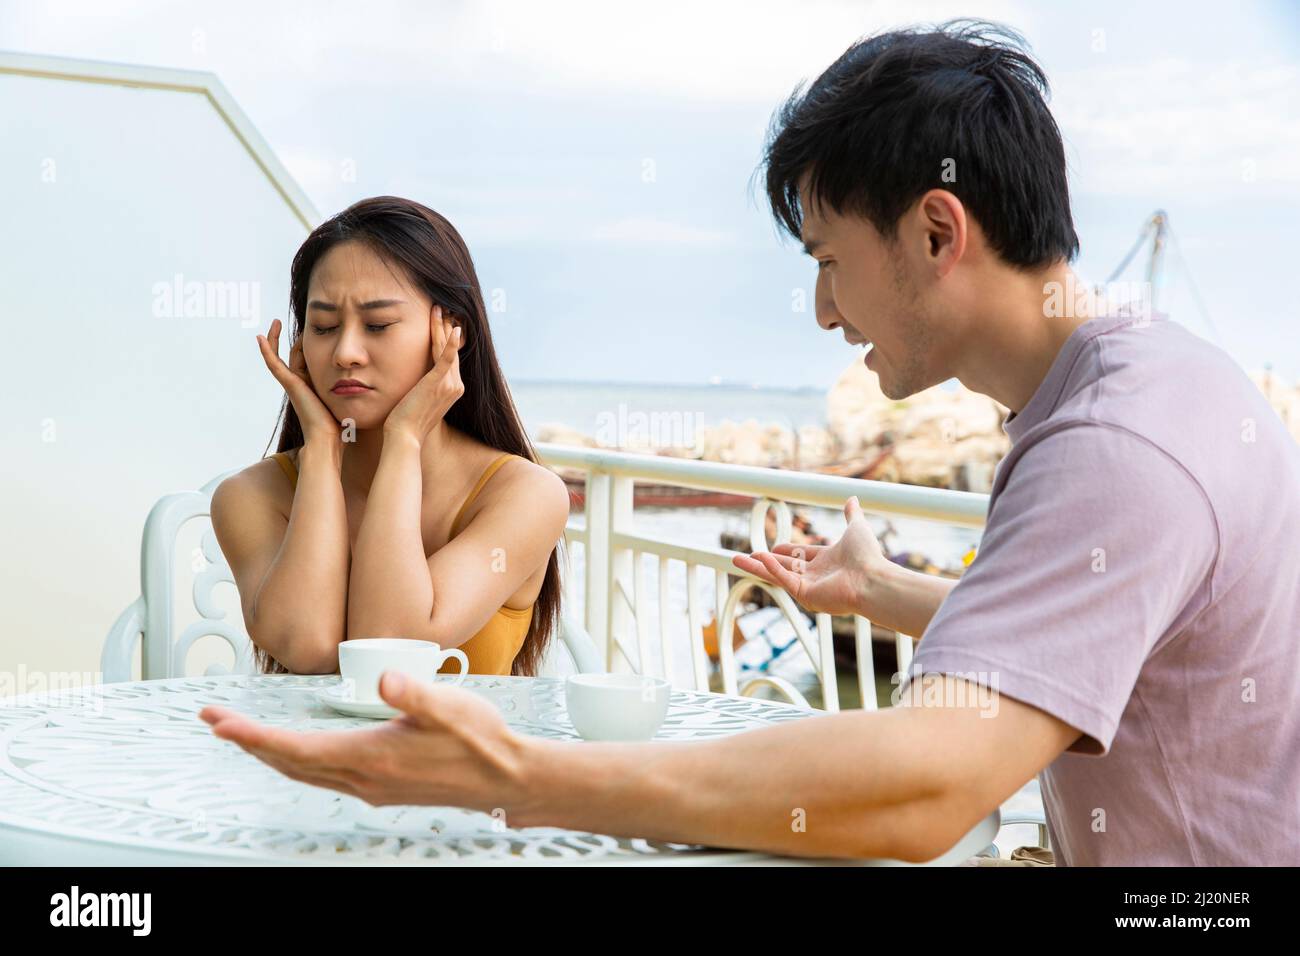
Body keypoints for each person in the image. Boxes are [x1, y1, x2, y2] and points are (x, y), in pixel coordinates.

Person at [200, 21, 1300, 866]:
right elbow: (1120, 638)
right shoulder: (1141, 381)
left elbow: (924, 787)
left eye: (827, 259)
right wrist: (894, 592)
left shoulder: (1113, 440)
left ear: (935, 230)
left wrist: (526, 778)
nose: (823, 310)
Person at [209, 196, 571, 677]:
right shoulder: (249, 496)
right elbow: (309, 647)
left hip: (459, 754)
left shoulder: (525, 495)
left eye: (378, 325)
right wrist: (321, 450)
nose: (346, 352)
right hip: (309, 755)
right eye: (323, 326)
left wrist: (404, 442)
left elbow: (389, 647)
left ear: (451, 334)